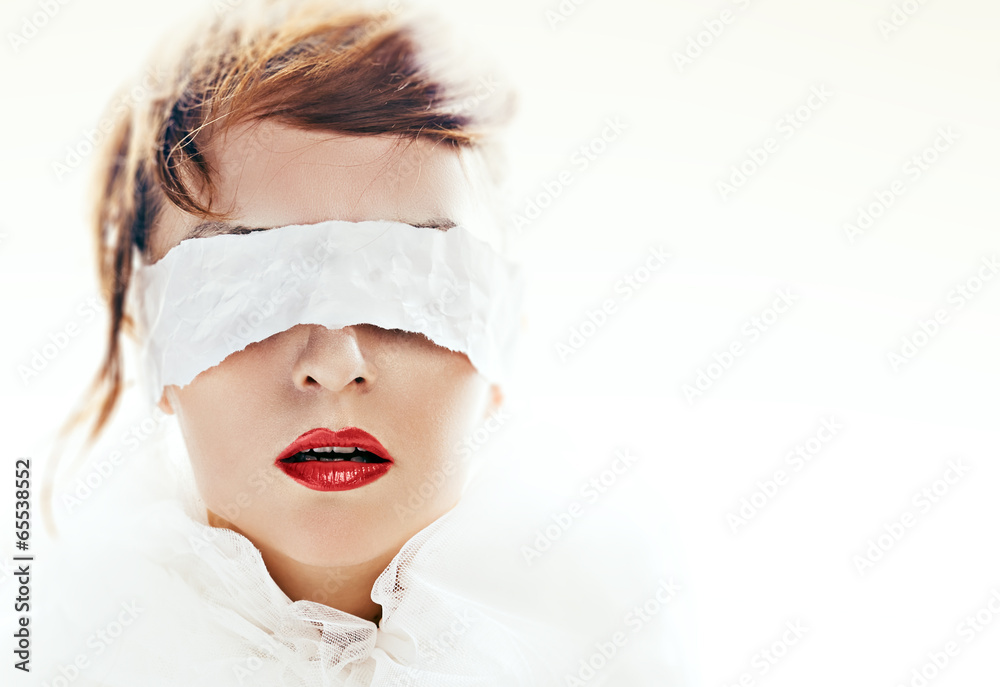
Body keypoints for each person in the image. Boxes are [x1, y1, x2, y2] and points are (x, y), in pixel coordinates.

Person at [29, 0, 690, 684]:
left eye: (413, 288)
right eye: (246, 289)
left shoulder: (622, 642)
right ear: (150, 327)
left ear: (502, 326)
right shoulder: (57, 649)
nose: (334, 365)